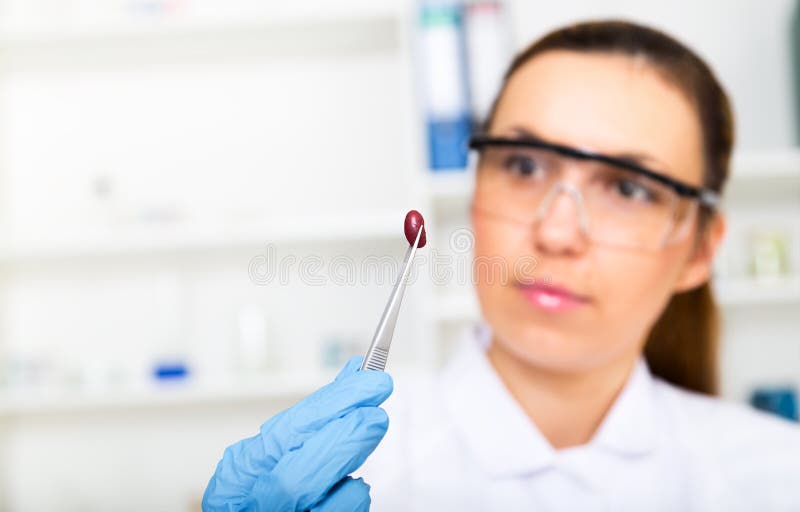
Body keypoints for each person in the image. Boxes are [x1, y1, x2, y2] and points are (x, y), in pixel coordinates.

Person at [202, 20, 800, 511]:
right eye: (522, 166)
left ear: (699, 249)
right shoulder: (345, 471)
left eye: (629, 187)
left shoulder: (777, 478)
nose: (557, 231)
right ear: (473, 193)